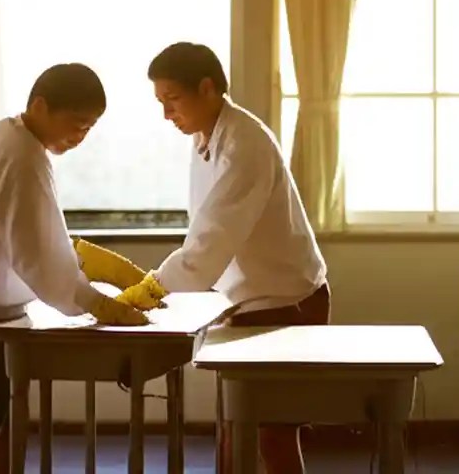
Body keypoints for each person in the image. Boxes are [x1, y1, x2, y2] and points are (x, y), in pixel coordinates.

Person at [0, 63, 157, 474]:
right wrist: (95, 301)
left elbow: (28, 236)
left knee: (1, 444)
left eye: (88, 129)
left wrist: (86, 268)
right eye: (75, 124)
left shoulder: (10, 132)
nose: (79, 138)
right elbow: (37, 253)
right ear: (39, 106)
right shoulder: (21, 157)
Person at [119, 42, 329, 474]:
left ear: (208, 88)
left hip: (285, 302)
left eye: (173, 100)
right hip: (249, 301)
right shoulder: (206, 137)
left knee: (269, 436)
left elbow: (210, 243)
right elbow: (205, 236)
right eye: (160, 103)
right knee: (239, 433)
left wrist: (151, 290)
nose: (166, 114)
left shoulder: (244, 144)